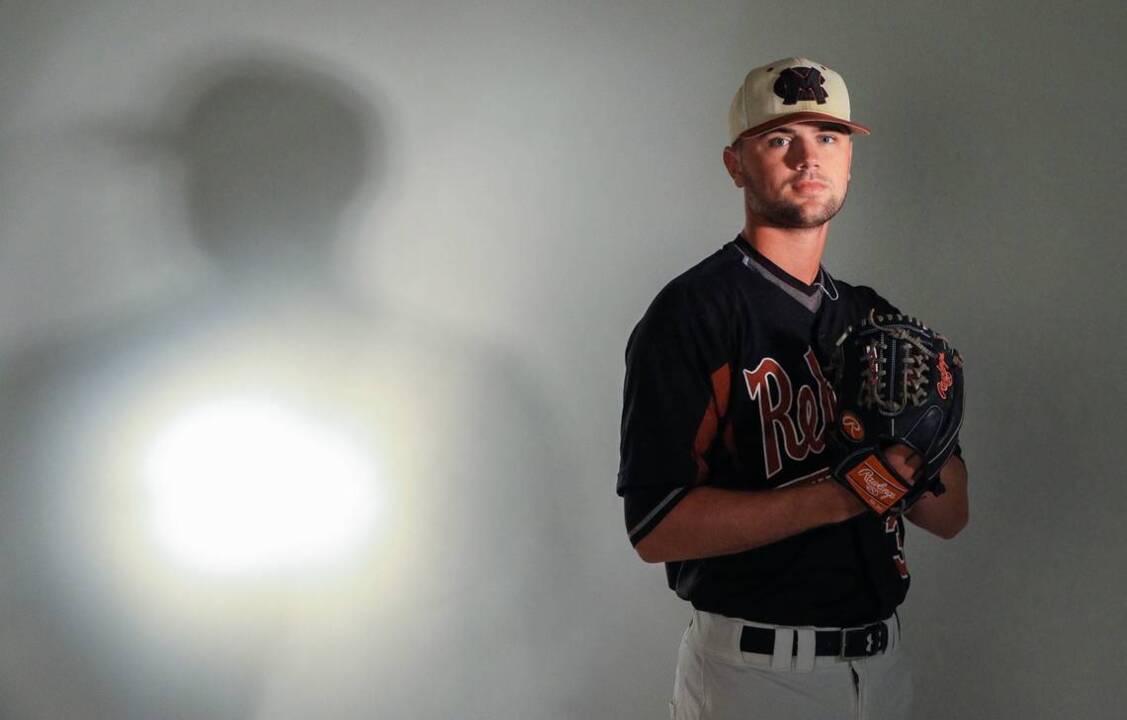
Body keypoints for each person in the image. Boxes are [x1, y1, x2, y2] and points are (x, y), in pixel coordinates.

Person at [617, 57, 969, 720]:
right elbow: (654, 526)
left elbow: (949, 518)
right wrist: (840, 497)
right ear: (735, 165)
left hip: (883, 669)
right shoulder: (693, 314)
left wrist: (921, 450)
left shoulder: (875, 318)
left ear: (848, 161)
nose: (809, 156)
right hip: (754, 677)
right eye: (780, 139)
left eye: (828, 138)